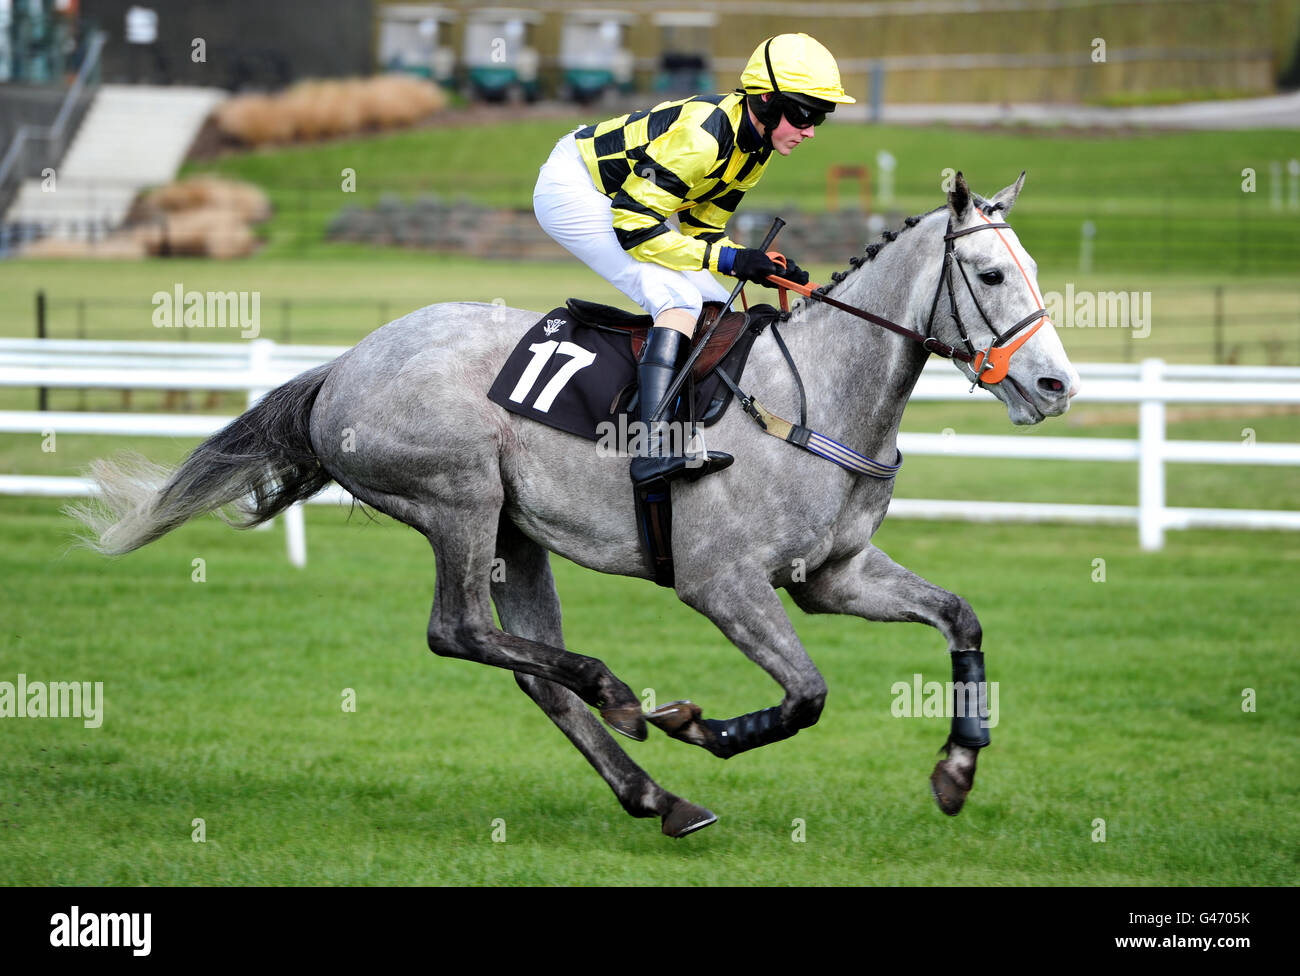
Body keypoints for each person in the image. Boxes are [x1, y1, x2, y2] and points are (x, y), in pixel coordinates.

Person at [532, 33, 855, 490]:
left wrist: (761, 265)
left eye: (822, 116)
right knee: (679, 299)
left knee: (718, 305)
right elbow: (635, 228)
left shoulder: (755, 149)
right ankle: (648, 450)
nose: (810, 129)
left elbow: (700, 230)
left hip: (627, 203)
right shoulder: (705, 138)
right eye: (805, 112)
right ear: (765, 100)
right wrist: (732, 258)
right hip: (576, 189)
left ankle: (699, 430)